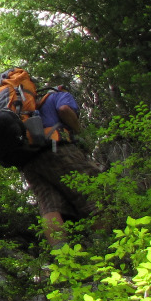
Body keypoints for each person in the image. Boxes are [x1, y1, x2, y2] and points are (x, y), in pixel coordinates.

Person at [17, 86, 100, 247]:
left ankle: (62, 258)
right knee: (94, 196)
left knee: (49, 206)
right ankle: (108, 247)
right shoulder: (60, 95)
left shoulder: (22, 109)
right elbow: (64, 109)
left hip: (29, 161)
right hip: (58, 150)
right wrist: (79, 131)